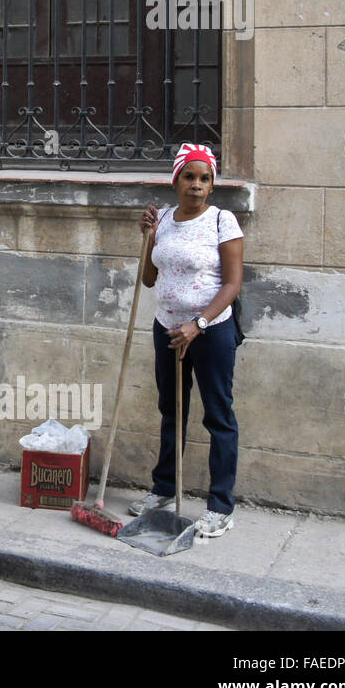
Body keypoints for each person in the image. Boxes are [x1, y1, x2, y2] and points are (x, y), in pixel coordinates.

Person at [129, 143, 244, 537]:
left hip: (210, 331)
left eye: (204, 178)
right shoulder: (161, 219)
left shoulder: (221, 221)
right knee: (171, 410)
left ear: (212, 186)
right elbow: (148, 278)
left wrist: (198, 323)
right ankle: (163, 488)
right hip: (167, 328)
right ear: (176, 180)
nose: (196, 185)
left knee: (218, 415)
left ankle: (220, 506)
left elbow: (232, 284)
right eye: (189, 177)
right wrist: (147, 236)